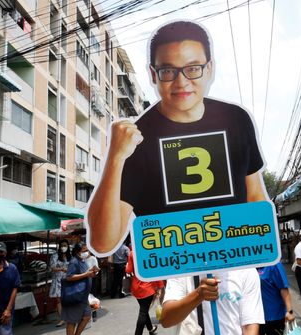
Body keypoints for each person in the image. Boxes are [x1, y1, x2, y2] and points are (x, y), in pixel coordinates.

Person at [87, 20, 267, 255]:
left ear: (209, 68)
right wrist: (115, 157)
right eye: (168, 71)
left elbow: (254, 197)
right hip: (174, 273)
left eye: (193, 68)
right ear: (153, 74)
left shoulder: (235, 119)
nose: (181, 82)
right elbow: (103, 242)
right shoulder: (136, 140)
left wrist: (259, 255)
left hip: (233, 265)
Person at [62, 243, 99, 335]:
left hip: (83, 296)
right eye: (84, 250)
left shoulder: (82, 261)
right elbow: (69, 277)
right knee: (72, 321)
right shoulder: (74, 262)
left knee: (87, 316)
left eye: (87, 250)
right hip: (75, 296)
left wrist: (91, 273)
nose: (86, 252)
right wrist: (86, 274)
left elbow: (84, 274)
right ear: (78, 252)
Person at [127, 249, 164, 335]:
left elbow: (128, 270)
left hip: (136, 287)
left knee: (144, 308)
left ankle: (150, 329)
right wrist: (160, 286)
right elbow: (155, 270)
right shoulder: (148, 252)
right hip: (147, 287)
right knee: (143, 312)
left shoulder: (132, 253)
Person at [49, 240, 71, 327]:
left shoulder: (70, 256)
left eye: (65, 245)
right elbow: (52, 267)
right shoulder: (55, 256)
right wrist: (61, 269)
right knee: (59, 299)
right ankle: (62, 318)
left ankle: (69, 316)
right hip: (57, 279)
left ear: (68, 246)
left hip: (68, 279)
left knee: (68, 298)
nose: (63, 247)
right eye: (62, 245)